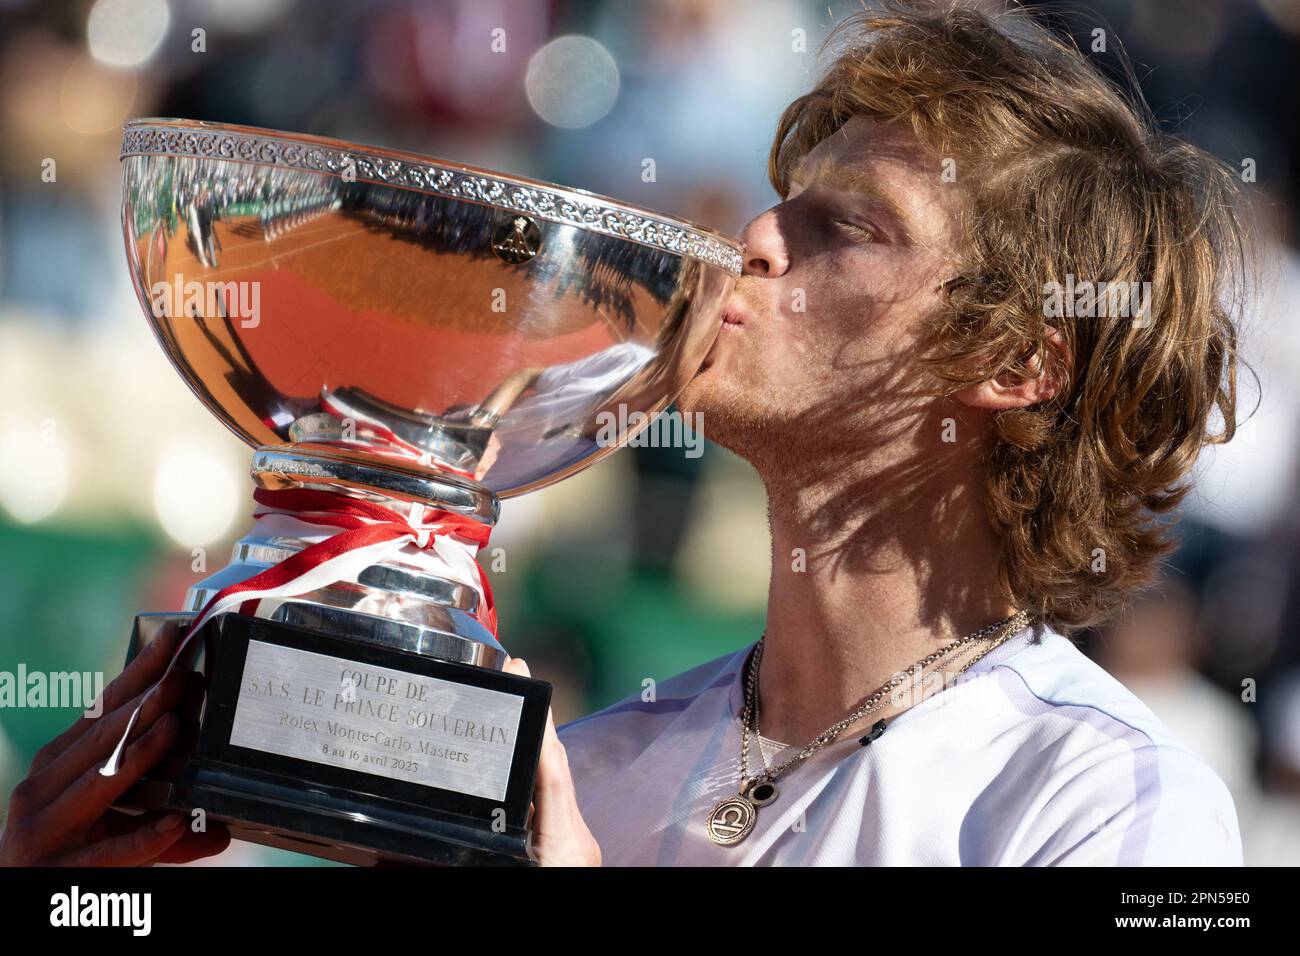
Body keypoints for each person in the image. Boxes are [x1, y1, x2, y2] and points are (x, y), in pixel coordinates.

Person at [0, 2, 1253, 867]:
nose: (755, 241)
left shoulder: (1110, 807)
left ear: (1020, 361)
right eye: (784, 202)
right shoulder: (583, 765)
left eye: (853, 226)